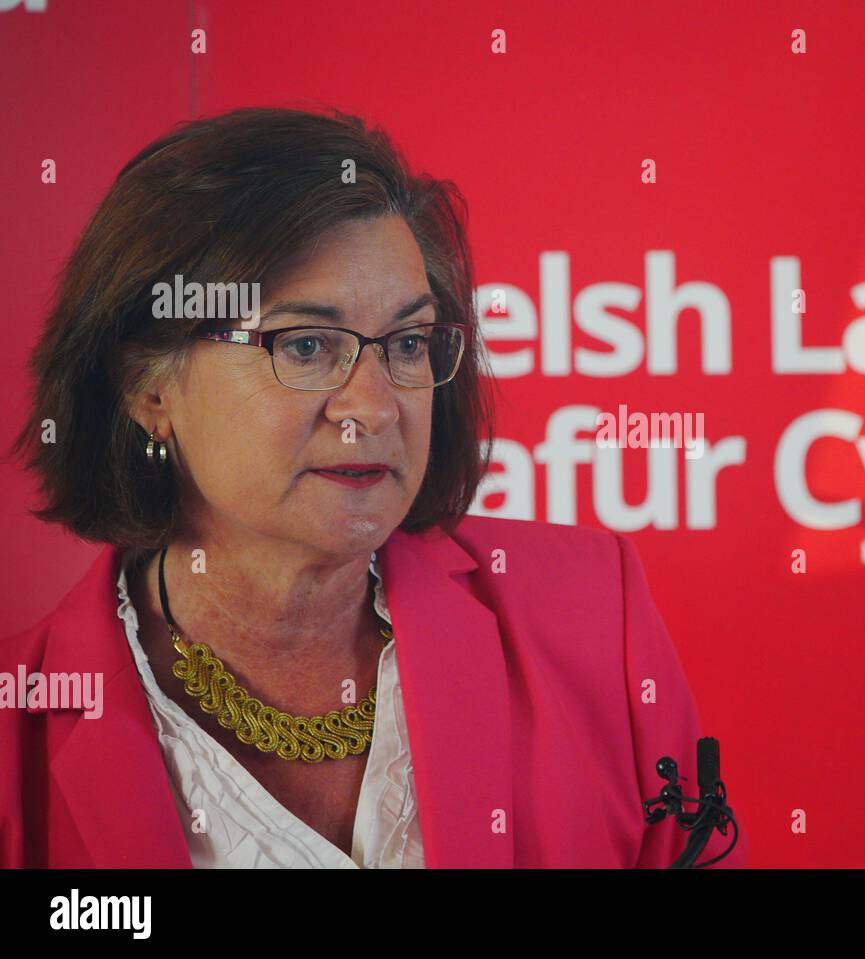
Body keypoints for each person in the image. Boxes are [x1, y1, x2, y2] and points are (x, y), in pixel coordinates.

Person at [0, 107, 746, 869]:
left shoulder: (593, 615)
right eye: (306, 344)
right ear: (147, 385)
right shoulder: (17, 726)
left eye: (408, 343)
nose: (375, 406)